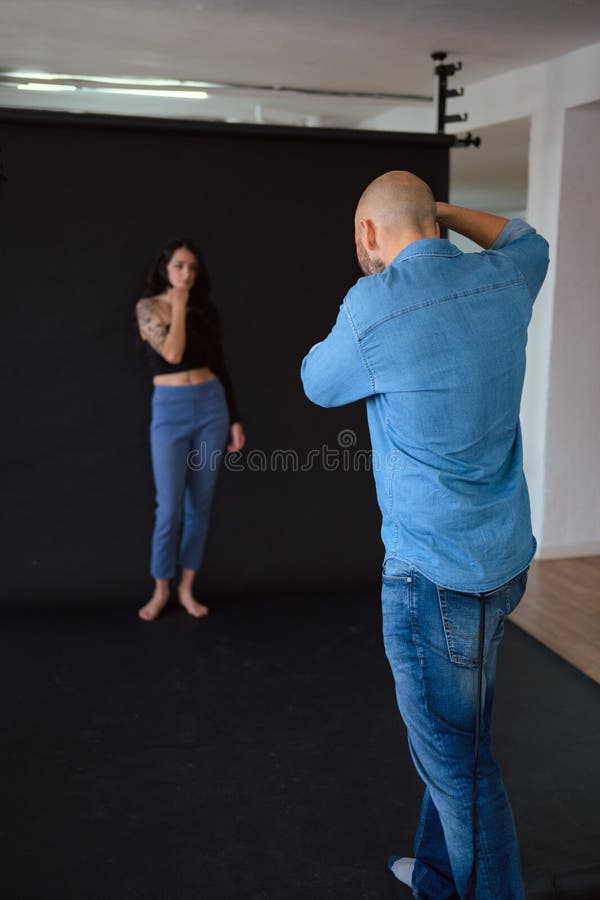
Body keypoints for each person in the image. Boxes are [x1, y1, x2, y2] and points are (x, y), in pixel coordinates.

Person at [300, 172, 549, 900]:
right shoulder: (504, 281)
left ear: (370, 234)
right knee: (456, 744)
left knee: (458, 764)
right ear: (433, 220)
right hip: (502, 565)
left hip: (433, 580)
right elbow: (525, 238)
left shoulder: (374, 307)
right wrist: (435, 213)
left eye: (360, 237)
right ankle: (438, 877)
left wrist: (381, 280)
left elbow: (317, 380)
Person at [134, 239, 245, 621]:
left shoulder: (204, 310)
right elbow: (172, 355)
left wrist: (234, 418)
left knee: (200, 504)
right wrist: (178, 305)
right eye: (180, 266)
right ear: (165, 268)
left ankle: (185, 587)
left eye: (193, 268)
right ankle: (161, 588)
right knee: (169, 509)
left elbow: (220, 363)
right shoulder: (148, 308)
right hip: (170, 410)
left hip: (211, 406)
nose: (187, 274)